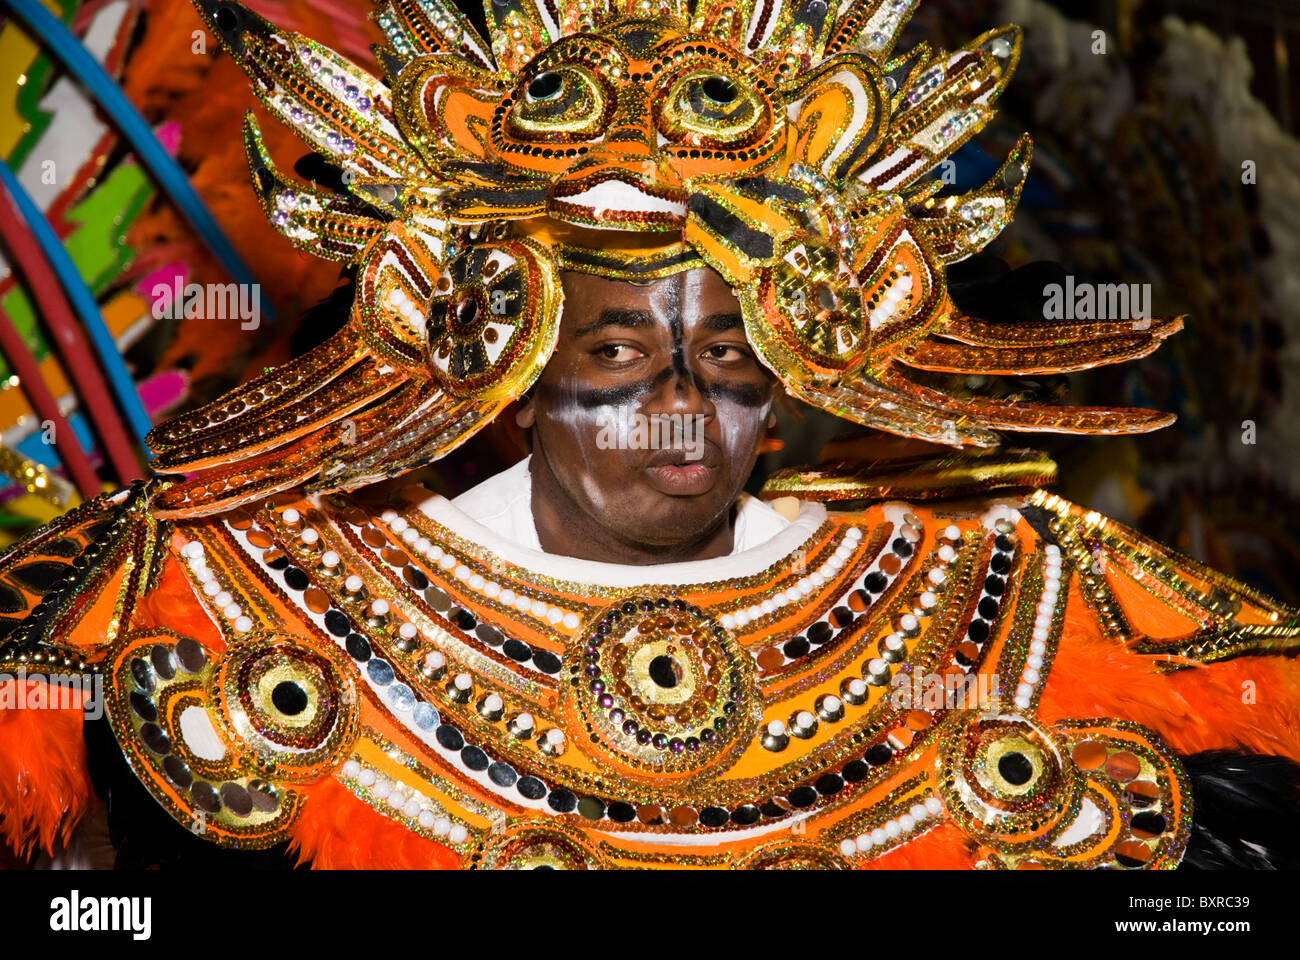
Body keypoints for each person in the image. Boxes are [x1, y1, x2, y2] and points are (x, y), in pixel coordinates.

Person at [1, 0, 1298, 871]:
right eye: (617, 354)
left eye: (733, 354)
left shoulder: (1000, 592)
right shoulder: (234, 589)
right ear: (501, 361)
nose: (683, 404)